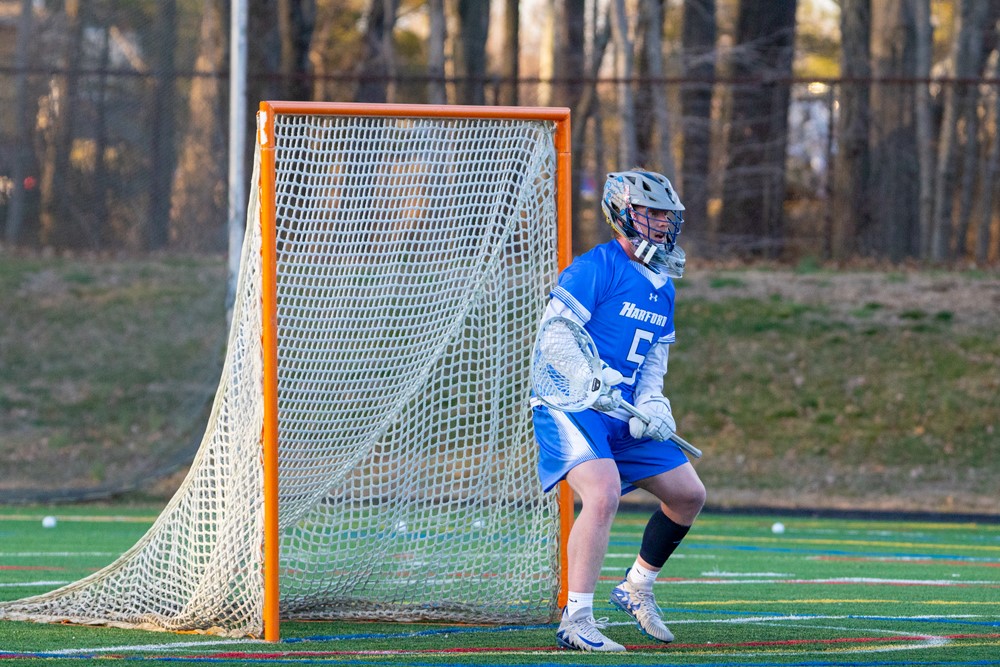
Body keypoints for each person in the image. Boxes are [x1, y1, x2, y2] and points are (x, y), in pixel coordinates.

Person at [531, 169, 706, 652]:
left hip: (620, 410)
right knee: (604, 493)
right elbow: (554, 338)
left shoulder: (662, 284)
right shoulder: (596, 268)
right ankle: (577, 619)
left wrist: (653, 402)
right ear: (623, 214)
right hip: (569, 401)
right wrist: (589, 379)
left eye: (665, 216)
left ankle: (636, 587)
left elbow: (652, 359)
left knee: (688, 494)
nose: (660, 225)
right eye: (650, 214)